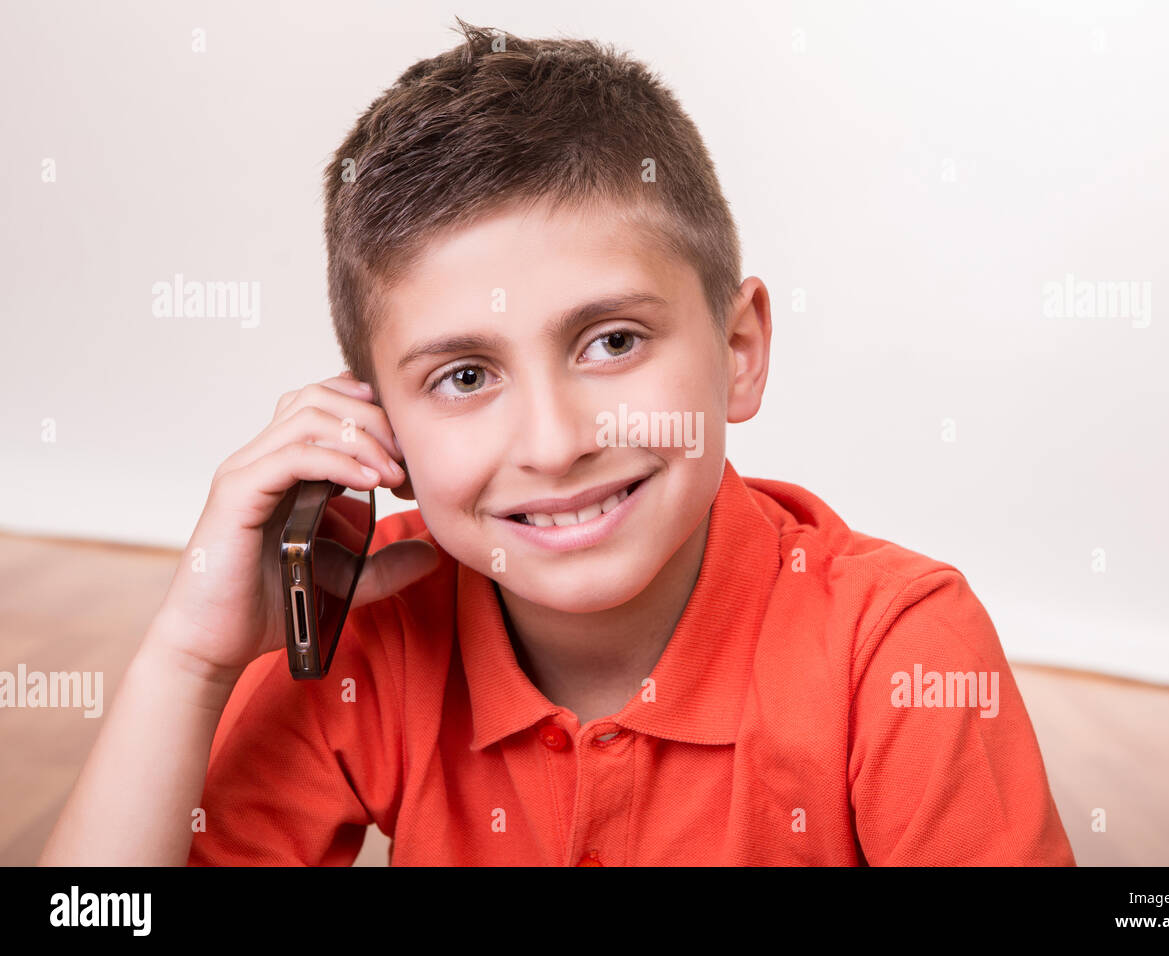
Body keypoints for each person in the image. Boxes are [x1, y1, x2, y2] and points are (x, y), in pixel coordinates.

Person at [40, 17, 1075, 866]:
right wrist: (188, 659)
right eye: (464, 375)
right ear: (379, 431)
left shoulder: (896, 649)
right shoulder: (371, 637)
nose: (552, 440)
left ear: (738, 348)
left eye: (612, 340)